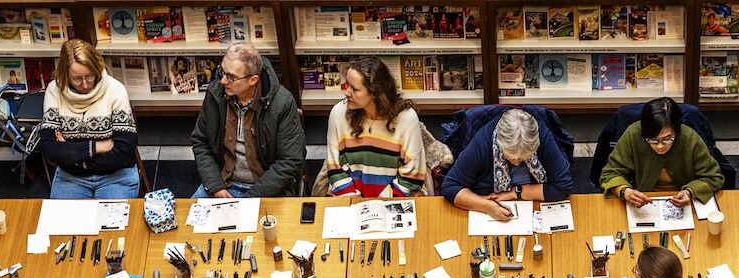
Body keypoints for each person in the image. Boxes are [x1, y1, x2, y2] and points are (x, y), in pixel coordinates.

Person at [191, 42, 305, 198]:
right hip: (224, 183)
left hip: (266, 190)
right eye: (222, 71)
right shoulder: (215, 93)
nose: (223, 80)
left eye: (231, 77)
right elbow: (201, 142)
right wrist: (215, 185)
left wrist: (250, 199)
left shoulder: (282, 103)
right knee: (187, 214)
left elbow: (289, 162)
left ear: (253, 80)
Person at [40, 39, 140, 199]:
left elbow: (123, 151)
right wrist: (97, 147)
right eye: (77, 79)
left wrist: (72, 155)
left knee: (110, 217)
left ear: (96, 68)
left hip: (115, 176)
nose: (85, 84)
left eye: (90, 75)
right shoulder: (54, 90)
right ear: (65, 74)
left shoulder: (115, 90)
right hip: (71, 177)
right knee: (62, 217)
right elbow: (50, 149)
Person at [442, 108, 573, 219]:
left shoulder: (541, 137)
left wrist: (516, 192)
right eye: (510, 157)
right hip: (491, 200)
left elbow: (563, 185)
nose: (516, 163)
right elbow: (450, 187)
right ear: (500, 143)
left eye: (523, 158)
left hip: (532, 206)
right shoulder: (483, 142)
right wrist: (486, 206)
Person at [326, 56, 427, 197]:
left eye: (354, 89)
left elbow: (412, 173)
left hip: (395, 198)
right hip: (348, 196)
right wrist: (352, 199)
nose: (346, 92)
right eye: (347, 84)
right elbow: (334, 166)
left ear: (375, 93)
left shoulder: (407, 119)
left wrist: (383, 202)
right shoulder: (338, 113)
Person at [599, 97, 724, 208]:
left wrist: (690, 192)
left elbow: (713, 177)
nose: (660, 146)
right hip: (643, 200)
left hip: (683, 202)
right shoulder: (633, 134)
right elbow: (610, 173)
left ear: (676, 130)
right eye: (653, 140)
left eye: (667, 139)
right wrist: (624, 191)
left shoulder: (689, 138)